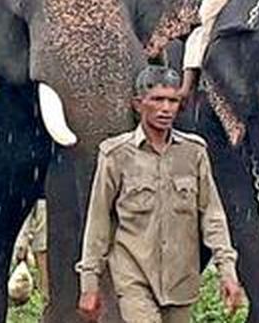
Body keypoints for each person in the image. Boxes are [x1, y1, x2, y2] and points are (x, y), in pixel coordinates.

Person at [77, 66, 243, 323]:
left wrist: (227, 272)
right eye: (157, 100)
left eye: (173, 101)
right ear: (138, 104)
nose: (166, 109)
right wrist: (89, 284)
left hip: (181, 281)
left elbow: (212, 216)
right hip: (134, 279)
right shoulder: (115, 155)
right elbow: (98, 222)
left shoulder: (193, 153)